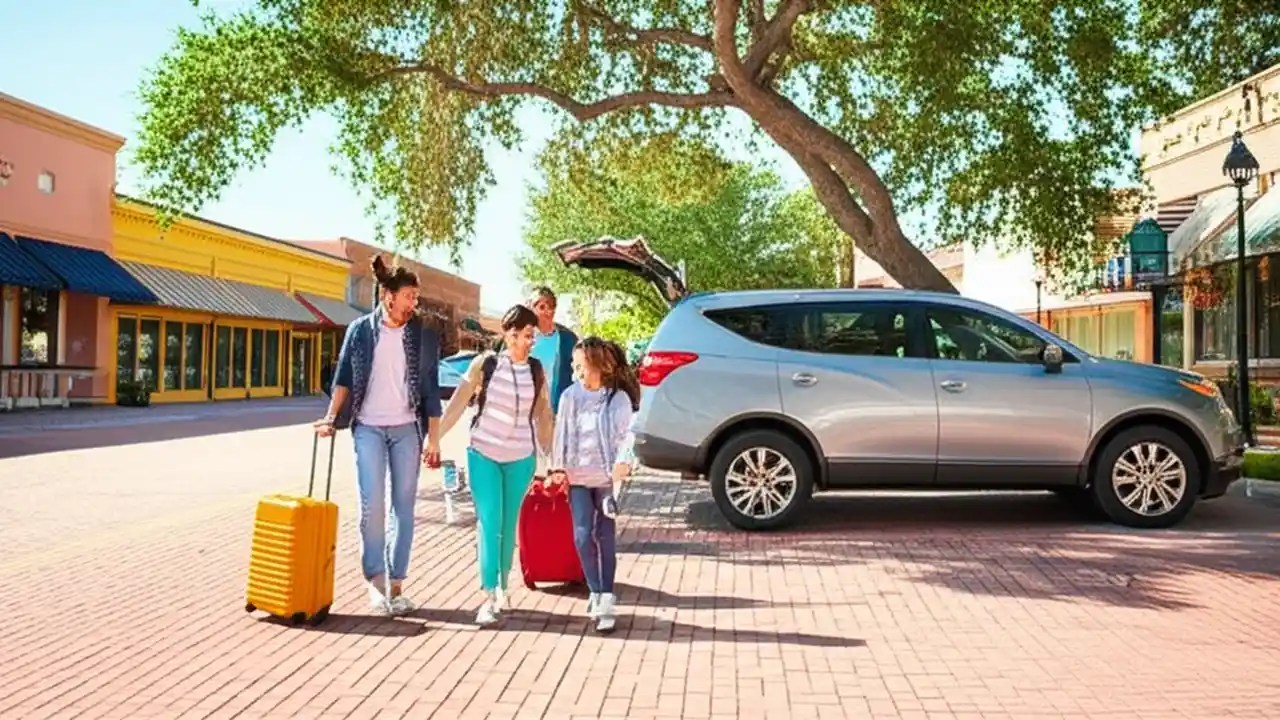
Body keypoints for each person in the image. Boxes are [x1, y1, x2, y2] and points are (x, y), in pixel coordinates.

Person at [314, 256, 443, 616]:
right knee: (372, 506)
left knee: (403, 509)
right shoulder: (360, 330)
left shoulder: (422, 334)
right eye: (408, 296)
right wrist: (329, 418)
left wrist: (433, 438)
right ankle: (376, 581)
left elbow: (430, 388)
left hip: (407, 430)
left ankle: (396, 585)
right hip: (368, 426)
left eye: (416, 297)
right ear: (388, 296)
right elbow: (343, 379)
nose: (413, 303)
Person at [440, 304, 554, 625]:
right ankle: (489, 595)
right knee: (490, 522)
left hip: (520, 459)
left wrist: (549, 461)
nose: (531, 342)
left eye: (533, 336)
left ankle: (503, 586)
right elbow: (459, 402)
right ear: (510, 334)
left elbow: (544, 416)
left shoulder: (536, 370)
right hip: (484, 454)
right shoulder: (485, 365)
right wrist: (433, 439)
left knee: (507, 525)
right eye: (526, 336)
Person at [547, 337, 639, 634]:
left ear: (597, 364)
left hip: (606, 479)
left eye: (581, 366)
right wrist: (558, 469)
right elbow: (561, 433)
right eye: (573, 366)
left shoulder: (618, 399)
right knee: (582, 536)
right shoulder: (570, 397)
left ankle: (606, 598)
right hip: (577, 478)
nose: (576, 372)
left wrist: (624, 463)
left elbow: (628, 436)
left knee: (605, 536)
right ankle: (595, 590)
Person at [528, 287, 579, 415]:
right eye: (542, 306)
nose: (548, 311)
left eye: (551, 306)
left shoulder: (568, 340)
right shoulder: (520, 336)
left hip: (554, 412)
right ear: (530, 307)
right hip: (523, 410)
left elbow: (578, 375)